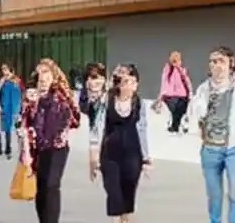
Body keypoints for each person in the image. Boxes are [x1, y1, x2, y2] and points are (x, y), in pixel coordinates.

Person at [189, 45, 235, 223]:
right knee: (214, 196)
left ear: (231, 64)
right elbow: (195, 116)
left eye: (221, 61)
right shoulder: (203, 90)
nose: (216, 65)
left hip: (234, 148)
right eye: (213, 62)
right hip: (210, 149)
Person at [90, 64, 153, 221]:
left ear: (136, 84)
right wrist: (93, 154)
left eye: (131, 81)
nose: (127, 85)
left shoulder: (139, 104)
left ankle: (125, 219)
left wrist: (146, 158)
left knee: (128, 194)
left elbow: (142, 130)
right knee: (113, 192)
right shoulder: (107, 100)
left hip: (132, 156)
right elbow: (96, 125)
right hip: (110, 155)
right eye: (124, 81)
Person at [22, 58, 81, 223]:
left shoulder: (62, 95)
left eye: (46, 72)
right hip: (38, 148)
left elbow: (76, 119)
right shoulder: (32, 96)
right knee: (41, 188)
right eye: (40, 73)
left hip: (58, 147)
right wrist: (26, 151)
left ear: (54, 74)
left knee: (51, 184)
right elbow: (24, 124)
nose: (43, 76)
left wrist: (66, 133)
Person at [155, 51, 192, 135]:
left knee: (181, 110)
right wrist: (161, 95)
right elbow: (164, 82)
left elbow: (187, 82)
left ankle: (176, 126)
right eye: (174, 60)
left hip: (183, 95)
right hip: (170, 95)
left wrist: (190, 93)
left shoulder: (182, 70)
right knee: (174, 110)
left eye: (178, 59)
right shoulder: (168, 69)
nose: (176, 62)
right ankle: (175, 126)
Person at [0, 63, 23, 161]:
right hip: (5, 108)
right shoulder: (2, 81)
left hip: (15, 108)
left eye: (5, 69)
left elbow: (20, 94)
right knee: (7, 130)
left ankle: (22, 149)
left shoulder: (16, 81)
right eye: (2, 69)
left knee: (18, 130)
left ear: (10, 69)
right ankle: (8, 149)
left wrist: (18, 108)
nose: (4, 71)